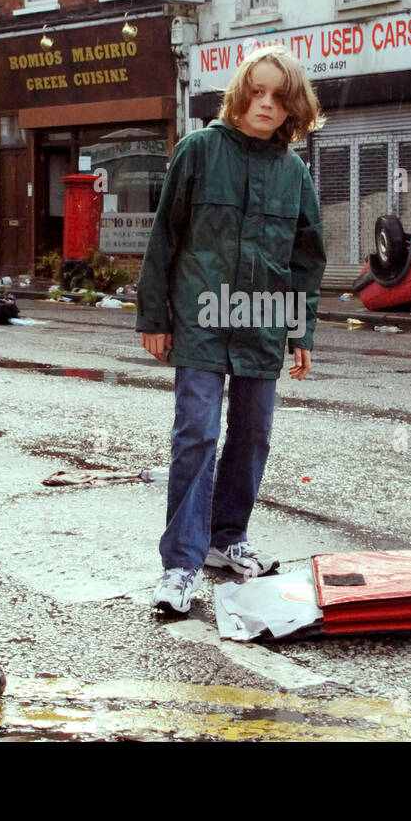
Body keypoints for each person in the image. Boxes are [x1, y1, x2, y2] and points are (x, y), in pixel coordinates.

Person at [136, 45, 326, 615]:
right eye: (257, 92)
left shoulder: (295, 173)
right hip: (200, 319)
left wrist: (301, 331)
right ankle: (180, 564)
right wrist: (155, 316)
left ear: (292, 106)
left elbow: (306, 257)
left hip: (262, 326)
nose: (265, 104)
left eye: (278, 96)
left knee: (252, 436)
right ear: (241, 94)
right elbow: (165, 238)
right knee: (195, 434)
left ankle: (225, 537)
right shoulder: (198, 151)